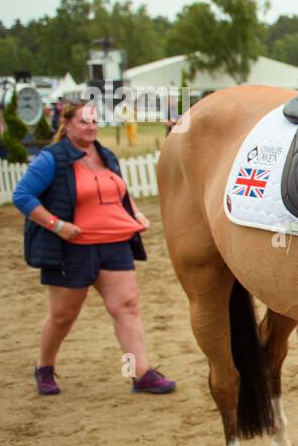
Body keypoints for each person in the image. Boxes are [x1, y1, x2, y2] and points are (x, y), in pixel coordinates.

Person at [12, 102, 176, 396]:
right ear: (68, 124)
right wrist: (56, 225)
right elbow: (22, 196)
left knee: (127, 307)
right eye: (84, 121)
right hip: (73, 248)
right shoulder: (52, 158)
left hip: (115, 244)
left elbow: (119, 191)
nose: (90, 127)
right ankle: (44, 367)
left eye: (94, 121)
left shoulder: (105, 154)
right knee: (63, 316)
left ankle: (141, 374)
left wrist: (135, 214)